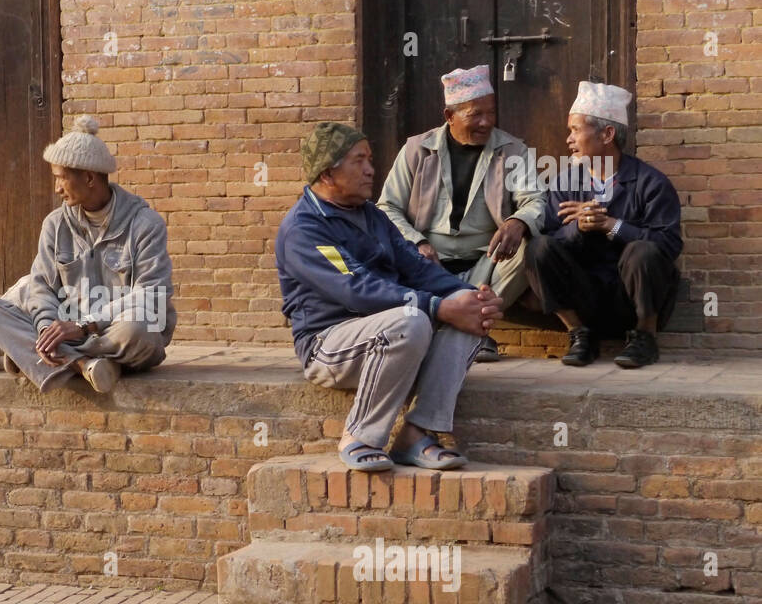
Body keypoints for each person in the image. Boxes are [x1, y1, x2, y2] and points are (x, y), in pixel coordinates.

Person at [276, 121, 503, 473]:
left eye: (369, 159)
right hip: (330, 345)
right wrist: (437, 307)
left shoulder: (374, 217)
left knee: (468, 320)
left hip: (395, 333)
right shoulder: (305, 229)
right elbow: (356, 287)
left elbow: (418, 268)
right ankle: (360, 436)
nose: (371, 169)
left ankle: (416, 433)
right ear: (327, 173)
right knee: (412, 319)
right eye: (359, 161)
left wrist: (471, 298)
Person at [0, 115, 176, 393]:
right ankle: (84, 366)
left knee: (138, 328)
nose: (56, 188)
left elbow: (152, 294)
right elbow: (41, 287)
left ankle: (49, 359)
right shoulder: (55, 224)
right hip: (69, 334)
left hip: (115, 333)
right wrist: (46, 330)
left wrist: (83, 326)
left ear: (90, 178)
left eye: (61, 179)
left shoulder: (144, 224)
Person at [378, 64, 545, 362]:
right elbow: (387, 207)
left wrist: (518, 220)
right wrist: (416, 242)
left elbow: (534, 200)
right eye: (475, 114)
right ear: (449, 116)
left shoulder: (512, 150)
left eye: (491, 113)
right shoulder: (416, 150)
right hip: (428, 264)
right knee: (390, 247)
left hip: (488, 263)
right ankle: (469, 330)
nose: (486, 122)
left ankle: (465, 326)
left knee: (530, 244)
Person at [525, 82, 682, 369]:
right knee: (537, 247)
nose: (569, 140)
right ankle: (579, 334)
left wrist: (612, 226)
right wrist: (580, 228)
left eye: (575, 130)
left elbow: (670, 244)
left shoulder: (651, 183)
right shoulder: (565, 182)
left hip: (631, 299)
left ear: (607, 134)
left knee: (644, 251)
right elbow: (549, 241)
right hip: (585, 296)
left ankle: (645, 337)